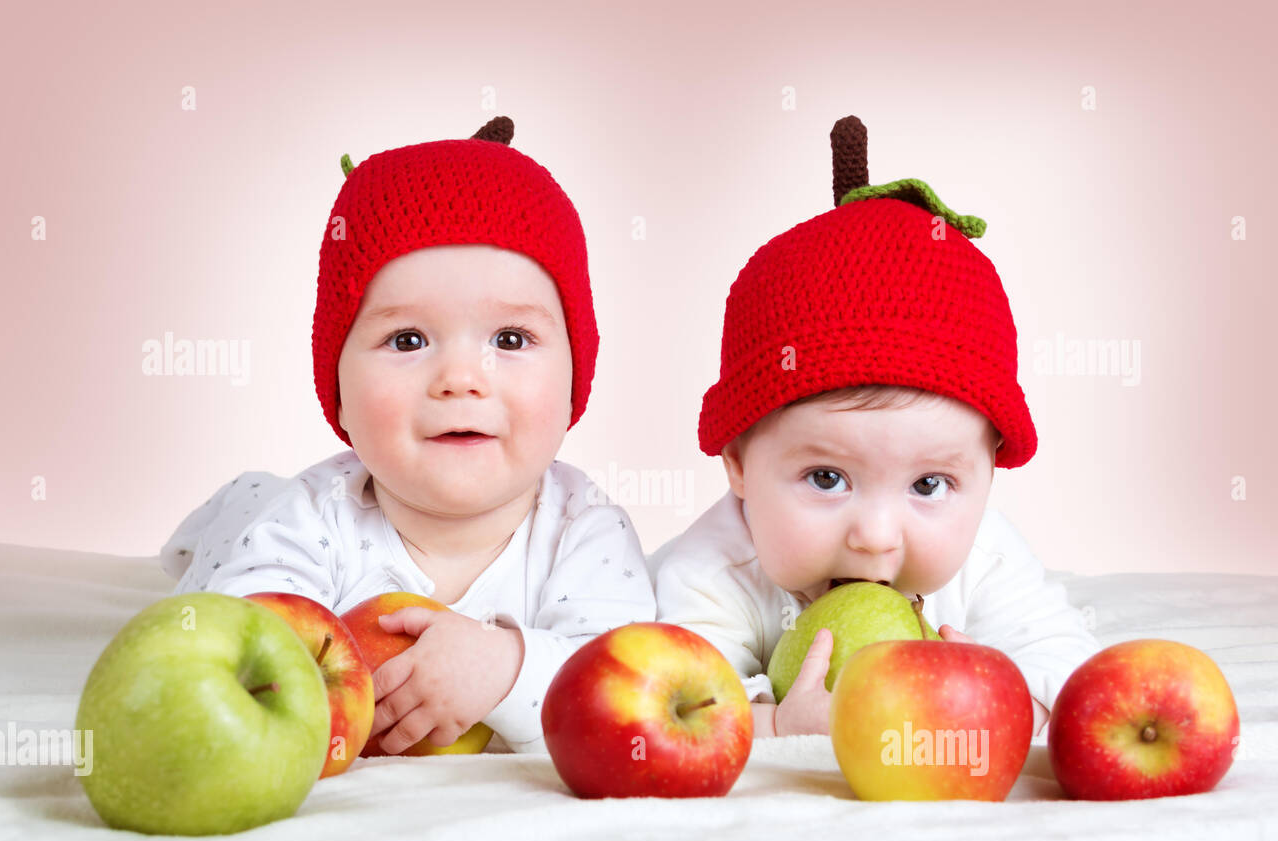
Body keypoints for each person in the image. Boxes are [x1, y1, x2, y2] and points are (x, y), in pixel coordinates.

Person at [161, 117, 656, 755]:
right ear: (338, 385)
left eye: (509, 340)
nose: (458, 380)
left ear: (573, 378)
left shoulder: (586, 531)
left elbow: (623, 681)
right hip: (260, 515)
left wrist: (505, 668)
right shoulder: (310, 520)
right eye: (407, 340)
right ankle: (226, 512)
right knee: (246, 514)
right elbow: (239, 639)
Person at [650, 115, 1099, 740]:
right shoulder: (709, 572)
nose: (876, 536)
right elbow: (675, 700)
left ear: (989, 473)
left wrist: (997, 701)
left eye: (928, 486)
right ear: (739, 463)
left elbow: (1069, 664)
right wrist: (777, 723)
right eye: (827, 477)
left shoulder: (987, 557)